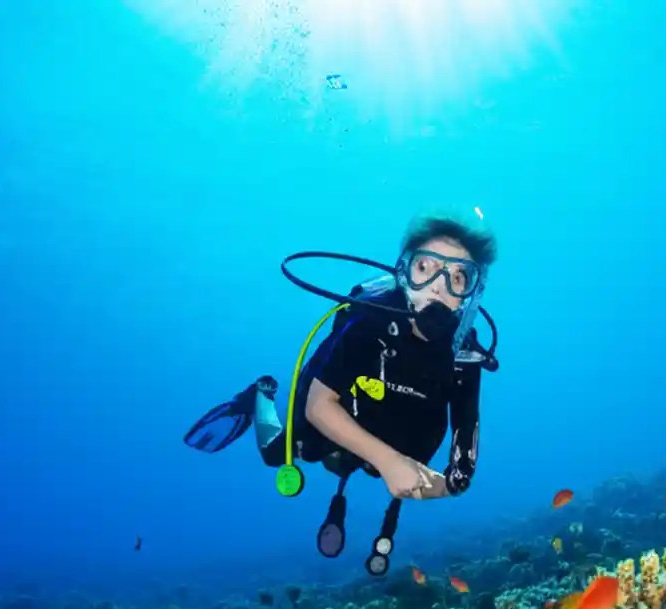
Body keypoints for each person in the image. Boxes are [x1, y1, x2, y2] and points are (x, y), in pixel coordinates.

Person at [184, 211, 498, 574]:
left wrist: (441, 484)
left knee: (373, 463)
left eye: (459, 276)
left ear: (470, 296)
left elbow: (464, 446)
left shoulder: (463, 352)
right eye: (426, 267)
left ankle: (376, 459)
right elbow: (319, 406)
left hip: (394, 441)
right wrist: (391, 463)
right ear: (404, 272)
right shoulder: (370, 322)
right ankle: (260, 395)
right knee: (276, 454)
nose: (440, 286)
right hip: (337, 420)